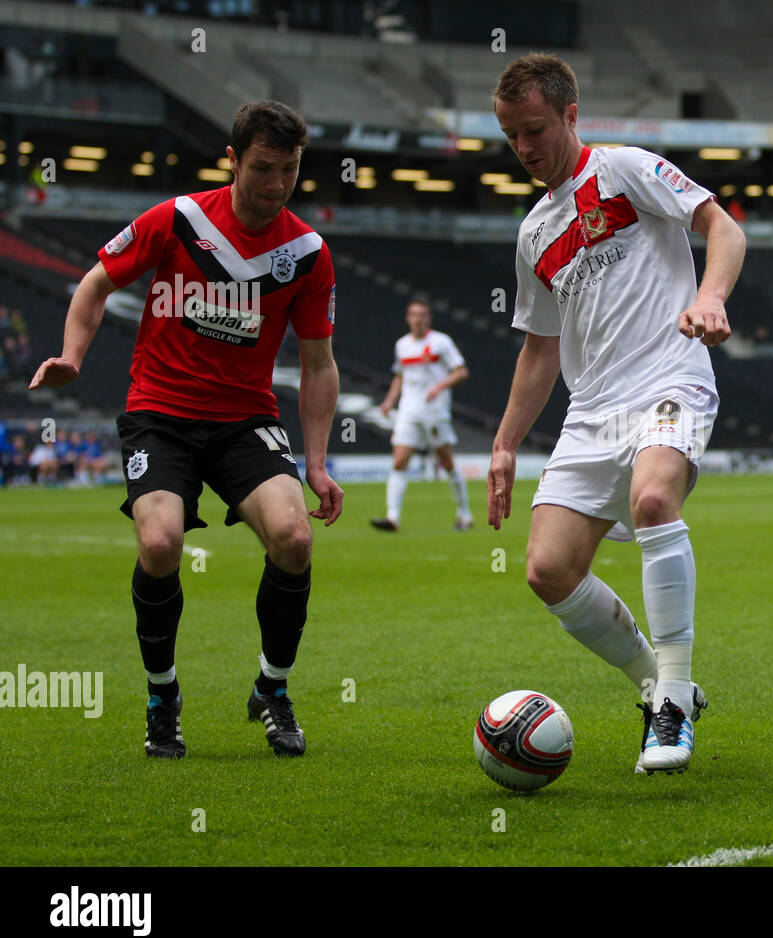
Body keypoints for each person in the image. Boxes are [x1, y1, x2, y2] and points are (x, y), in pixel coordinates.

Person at [29, 100, 342, 759]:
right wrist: (72, 358)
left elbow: (319, 364)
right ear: (231, 159)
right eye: (262, 168)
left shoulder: (308, 254)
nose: (276, 183)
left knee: (293, 538)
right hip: (160, 416)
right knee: (162, 545)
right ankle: (162, 696)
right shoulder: (177, 220)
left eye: (288, 170)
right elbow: (92, 286)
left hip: (246, 421)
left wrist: (316, 462)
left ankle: (274, 689)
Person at [486, 53, 746, 774]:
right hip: (592, 408)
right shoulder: (534, 232)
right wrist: (506, 443)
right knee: (547, 569)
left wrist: (711, 296)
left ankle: (668, 711)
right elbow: (540, 349)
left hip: (669, 375)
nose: (526, 149)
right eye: (512, 138)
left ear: (570, 114)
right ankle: (663, 690)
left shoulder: (626, 170)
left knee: (656, 498)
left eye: (535, 130)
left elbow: (722, 226)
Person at [370, 296, 473, 531]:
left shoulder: (441, 342)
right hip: (408, 411)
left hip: (435, 412)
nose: (418, 320)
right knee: (399, 461)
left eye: (422, 315)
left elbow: (461, 371)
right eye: (414, 315)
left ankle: (464, 514)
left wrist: (439, 386)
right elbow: (400, 376)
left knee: (447, 463)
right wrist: (388, 402)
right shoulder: (402, 345)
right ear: (408, 318)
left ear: (429, 318)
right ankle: (392, 518)